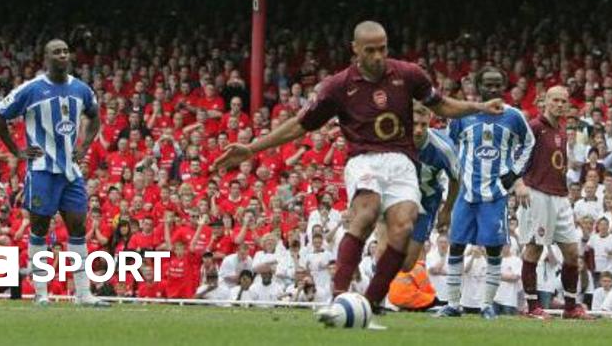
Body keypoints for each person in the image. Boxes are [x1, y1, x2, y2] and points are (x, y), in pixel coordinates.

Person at [214, 21, 504, 321]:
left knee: (403, 228)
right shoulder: (337, 86)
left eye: (383, 49)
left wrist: (480, 107)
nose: (378, 56)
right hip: (364, 158)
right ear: (355, 50)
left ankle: (367, 305)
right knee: (367, 210)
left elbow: (442, 106)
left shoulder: (408, 75)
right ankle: (339, 297)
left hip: (403, 160)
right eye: (370, 50)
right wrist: (252, 149)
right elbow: (300, 125)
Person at [0, 39, 105, 306]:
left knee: (78, 226)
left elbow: (94, 115)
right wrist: (17, 150)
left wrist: (85, 146)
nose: (63, 55)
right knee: (39, 229)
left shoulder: (80, 88)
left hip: (71, 172)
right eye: (57, 52)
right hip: (42, 170)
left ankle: (83, 293)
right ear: (46, 58)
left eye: (65, 51)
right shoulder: (31, 89)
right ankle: (41, 293)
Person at [437, 66, 534, 320]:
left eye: (497, 85)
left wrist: (512, 175)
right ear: (477, 87)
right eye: (487, 85)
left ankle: (487, 305)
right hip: (466, 193)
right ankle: (453, 305)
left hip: (495, 195)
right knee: (456, 245)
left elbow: (529, 143)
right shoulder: (462, 115)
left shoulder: (513, 116)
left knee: (493, 249)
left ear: (504, 87)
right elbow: (449, 146)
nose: (492, 89)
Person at [515, 85, 595, 320]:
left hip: (560, 197)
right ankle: (532, 308)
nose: (560, 105)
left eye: (564, 101)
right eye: (555, 100)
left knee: (571, 252)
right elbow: (515, 157)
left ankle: (570, 307)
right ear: (545, 101)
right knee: (534, 248)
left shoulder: (561, 129)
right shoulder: (534, 128)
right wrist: (518, 183)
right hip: (537, 194)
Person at [402, 102, 460, 272]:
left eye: (423, 125)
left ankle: (411, 291)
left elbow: (456, 180)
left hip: (426, 201)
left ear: (430, 120)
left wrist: (447, 210)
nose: (418, 130)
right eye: (414, 124)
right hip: (399, 197)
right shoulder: (393, 140)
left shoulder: (444, 148)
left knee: (408, 263)